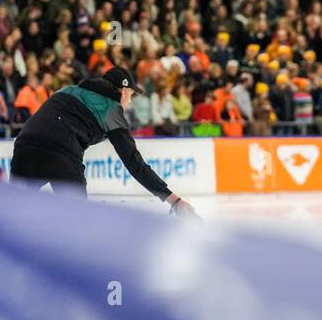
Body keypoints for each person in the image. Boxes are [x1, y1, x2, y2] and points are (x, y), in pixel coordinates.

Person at [10, 65, 197, 215]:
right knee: (77, 220)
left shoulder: (69, 89)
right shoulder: (112, 109)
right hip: (62, 153)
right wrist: (173, 200)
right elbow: (133, 162)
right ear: (124, 91)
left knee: (12, 211)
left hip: (24, 145)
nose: (130, 102)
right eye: (131, 95)